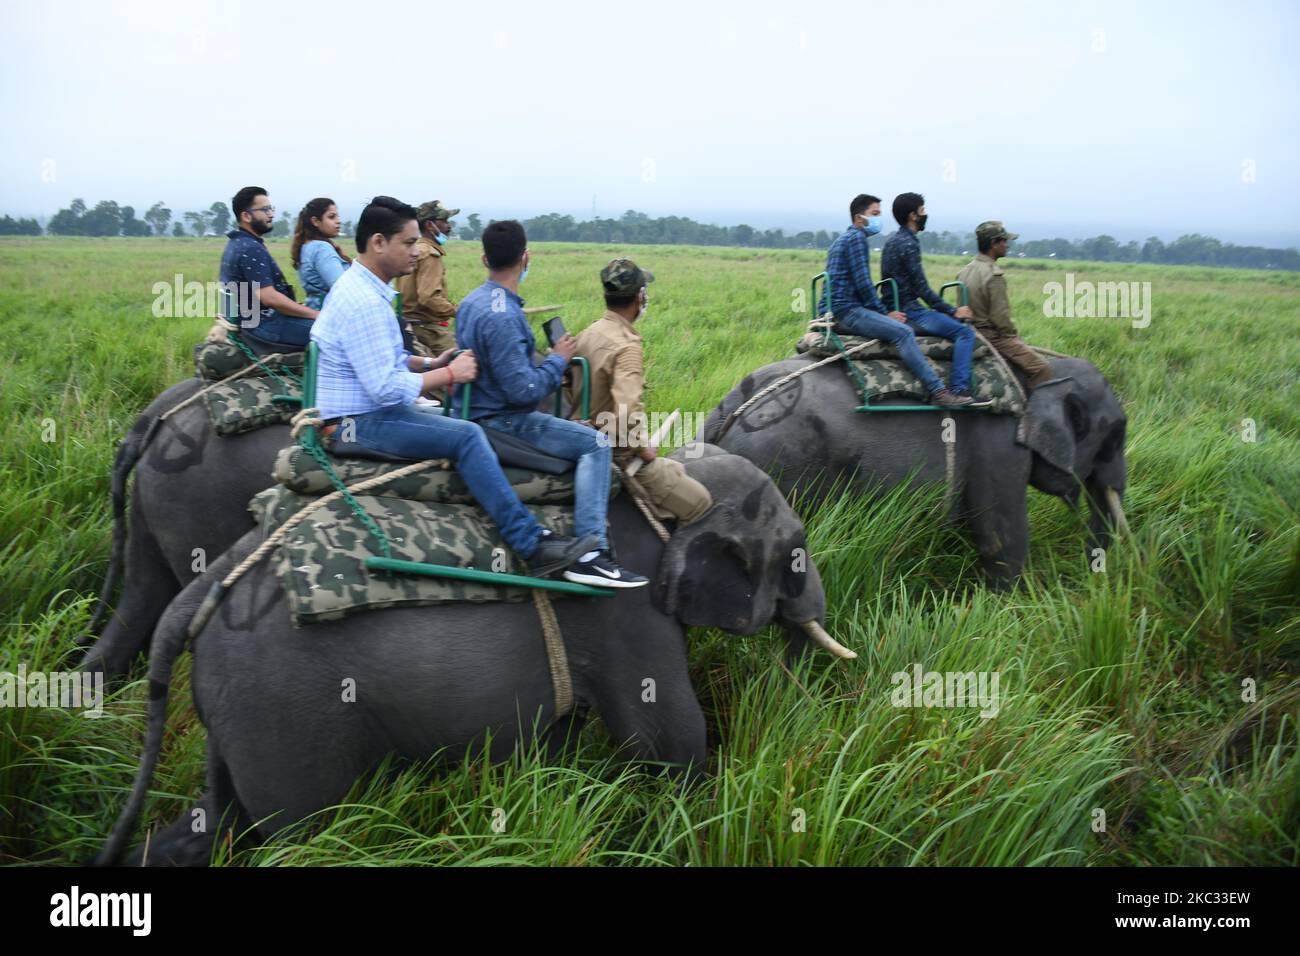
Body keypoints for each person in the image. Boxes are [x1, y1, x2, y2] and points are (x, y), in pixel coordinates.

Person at [310, 196, 601, 581]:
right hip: (359, 420)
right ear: (378, 242)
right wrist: (450, 375)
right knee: (466, 436)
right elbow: (384, 388)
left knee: (452, 422)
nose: (417, 252)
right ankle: (532, 543)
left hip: (363, 410)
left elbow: (384, 361)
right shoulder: (365, 301)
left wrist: (431, 363)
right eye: (409, 243)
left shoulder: (364, 288)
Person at [455, 221, 648, 589]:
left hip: (475, 409)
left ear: (484, 258)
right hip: (503, 421)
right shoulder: (505, 315)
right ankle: (593, 552)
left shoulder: (471, 302)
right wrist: (558, 359)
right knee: (596, 444)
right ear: (526, 257)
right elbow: (523, 392)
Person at [566, 258, 713, 525]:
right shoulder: (626, 347)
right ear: (641, 297)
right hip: (618, 455)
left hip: (579, 441)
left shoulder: (588, 333)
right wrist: (644, 450)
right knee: (701, 502)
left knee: (677, 468)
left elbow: (570, 391)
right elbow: (626, 412)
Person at [823, 193, 975, 408]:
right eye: (874, 214)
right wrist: (885, 314)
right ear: (859, 219)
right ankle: (942, 391)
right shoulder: (858, 239)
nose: (878, 220)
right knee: (908, 333)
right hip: (849, 309)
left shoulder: (847, 240)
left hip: (841, 306)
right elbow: (864, 283)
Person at [881, 192, 991, 408]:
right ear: (913, 215)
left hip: (892, 305)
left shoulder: (892, 241)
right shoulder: (909, 243)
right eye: (923, 211)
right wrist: (952, 311)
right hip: (910, 310)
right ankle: (960, 390)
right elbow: (921, 288)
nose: (925, 215)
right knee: (965, 333)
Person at [219, 186, 319, 351]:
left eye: (270, 209)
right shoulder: (251, 248)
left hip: (251, 324)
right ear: (246, 216)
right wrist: (314, 314)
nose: (271, 214)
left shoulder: (236, 243)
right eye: (264, 210)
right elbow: (269, 298)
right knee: (331, 331)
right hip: (265, 326)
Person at [957, 222, 1052, 390]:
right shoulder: (994, 275)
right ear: (994, 244)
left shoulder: (964, 271)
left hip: (969, 330)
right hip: (991, 336)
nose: (1007, 245)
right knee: (1041, 368)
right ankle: (1036, 411)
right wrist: (1013, 337)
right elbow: (1000, 317)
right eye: (1004, 241)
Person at [395, 201, 460, 357]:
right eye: (443, 221)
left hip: (408, 324)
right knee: (463, 362)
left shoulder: (414, 249)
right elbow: (428, 297)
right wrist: (458, 311)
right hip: (427, 329)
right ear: (430, 225)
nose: (448, 226)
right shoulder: (430, 254)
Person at [293, 197, 351, 311]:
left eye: (338, 216)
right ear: (315, 221)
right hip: (330, 315)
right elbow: (342, 289)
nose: (338, 221)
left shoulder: (307, 246)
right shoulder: (321, 249)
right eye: (331, 217)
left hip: (315, 310)